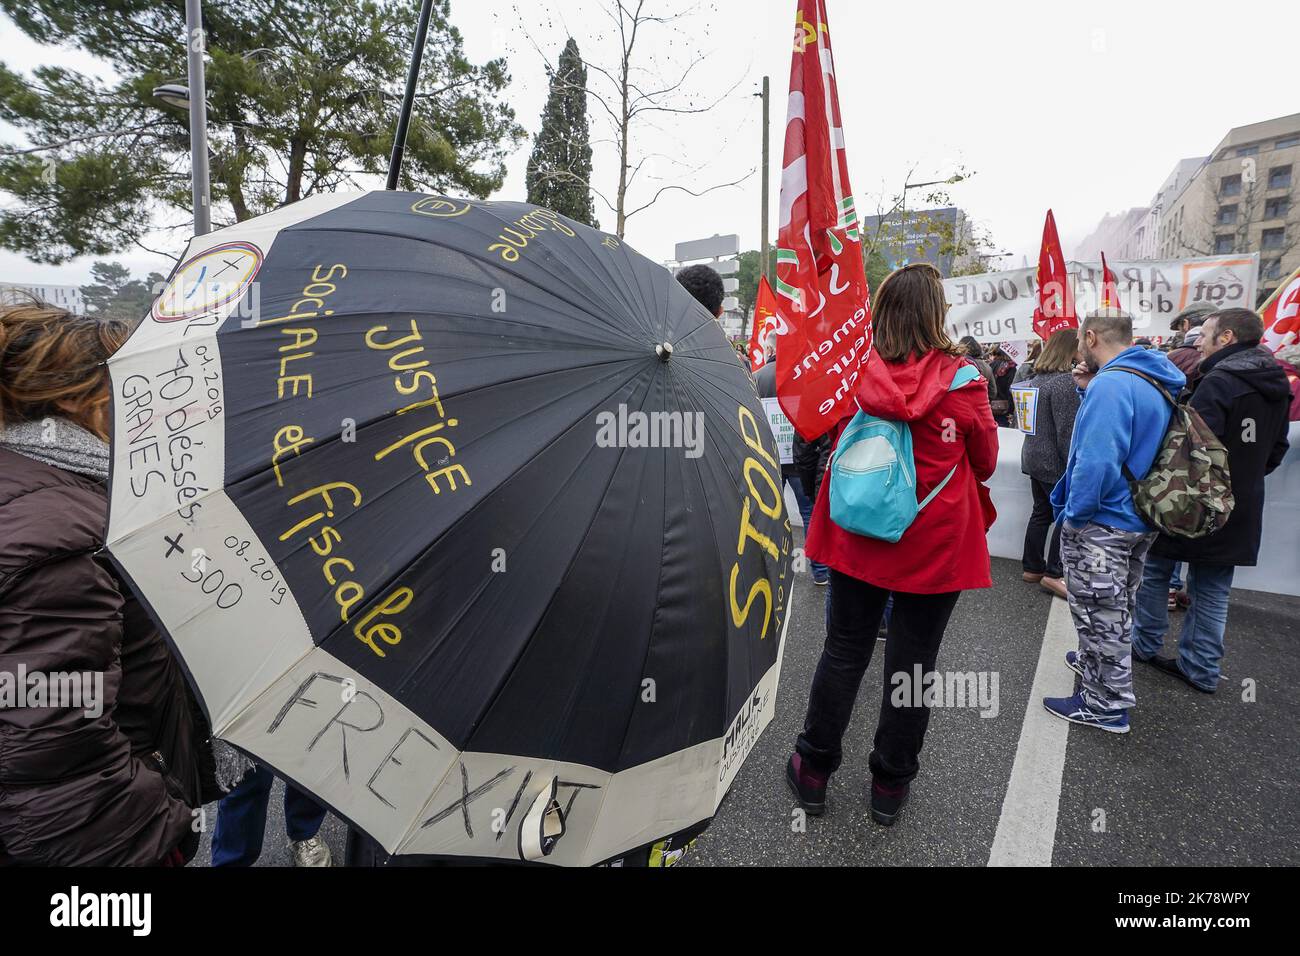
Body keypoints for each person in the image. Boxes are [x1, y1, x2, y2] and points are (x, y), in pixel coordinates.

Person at [0, 296, 217, 865]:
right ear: (71, 398)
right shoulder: (61, 532)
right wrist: (153, 828)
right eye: (127, 383)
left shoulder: (45, 487)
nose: (147, 401)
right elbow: (55, 747)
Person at [786, 264, 998, 826]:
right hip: (932, 541)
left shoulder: (853, 376)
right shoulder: (965, 383)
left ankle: (813, 769)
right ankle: (889, 784)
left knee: (844, 649)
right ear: (937, 314)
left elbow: (823, 434)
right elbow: (985, 462)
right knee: (913, 665)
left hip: (860, 532)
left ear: (881, 313)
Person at [1131, 309, 1291, 693]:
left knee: (1156, 570)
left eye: (1205, 334)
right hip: (1242, 500)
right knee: (1213, 587)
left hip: (1192, 497)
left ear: (1227, 337)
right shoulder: (1277, 382)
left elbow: (1187, 447)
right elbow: (1277, 448)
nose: (1197, 341)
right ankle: (1201, 668)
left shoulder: (1220, 381)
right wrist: (1245, 477)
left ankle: (1144, 644)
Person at [1042, 308, 1185, 733]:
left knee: (1100, 611)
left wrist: (1075, 517)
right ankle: (1096, 667)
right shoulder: (1151, 377)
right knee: (1115, 605)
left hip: (1104, 519)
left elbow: (1097, 461)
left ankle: (1104, 705)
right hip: (1138, 515)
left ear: (1089, 337)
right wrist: (1089, 390)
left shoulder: (1113, 383)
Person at [1012, 328, 1080, 600]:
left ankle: (1032, 567)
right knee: (1064, 517)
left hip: (1033, 456)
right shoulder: (1064, 383)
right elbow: (1066, 431)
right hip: (1054, 462)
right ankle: (1054, 572)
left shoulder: (1034, 380)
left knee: (1041, 513)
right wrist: (1073, 465)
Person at [755, 333, 829, 585]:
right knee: (808, 513)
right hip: (799, 458)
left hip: (768, 458)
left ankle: (771, 569)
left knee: (769, 513)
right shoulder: (801, 377)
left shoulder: (756, 377)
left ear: (769, 349)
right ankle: (819, 571)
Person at [988, 344, 1018, 426]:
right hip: (1004, 408)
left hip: (990, 406)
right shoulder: (1011, 367)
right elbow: (1011, 389)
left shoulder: (990, 365)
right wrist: (1011, 409)